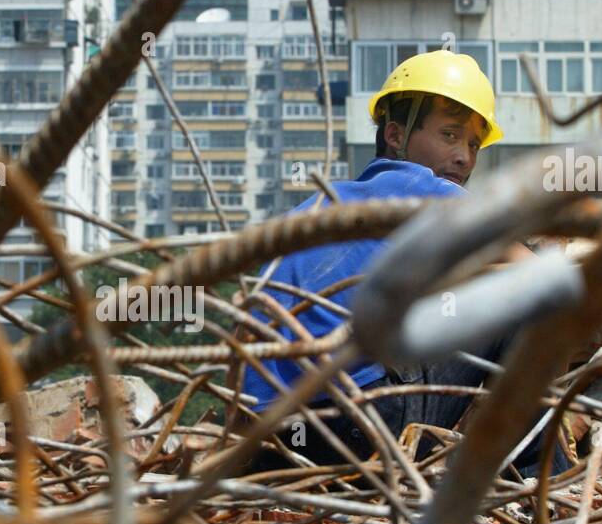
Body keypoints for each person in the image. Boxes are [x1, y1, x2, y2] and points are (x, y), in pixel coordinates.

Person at [242, 49, 570, 477]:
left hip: (277, 444)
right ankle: (537, 475)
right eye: (450, 135)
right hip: (368, 424)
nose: (465, 158)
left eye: (473, 143)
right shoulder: (428, 188)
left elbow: (246, 334)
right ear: (395, 135)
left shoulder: (312, 208)